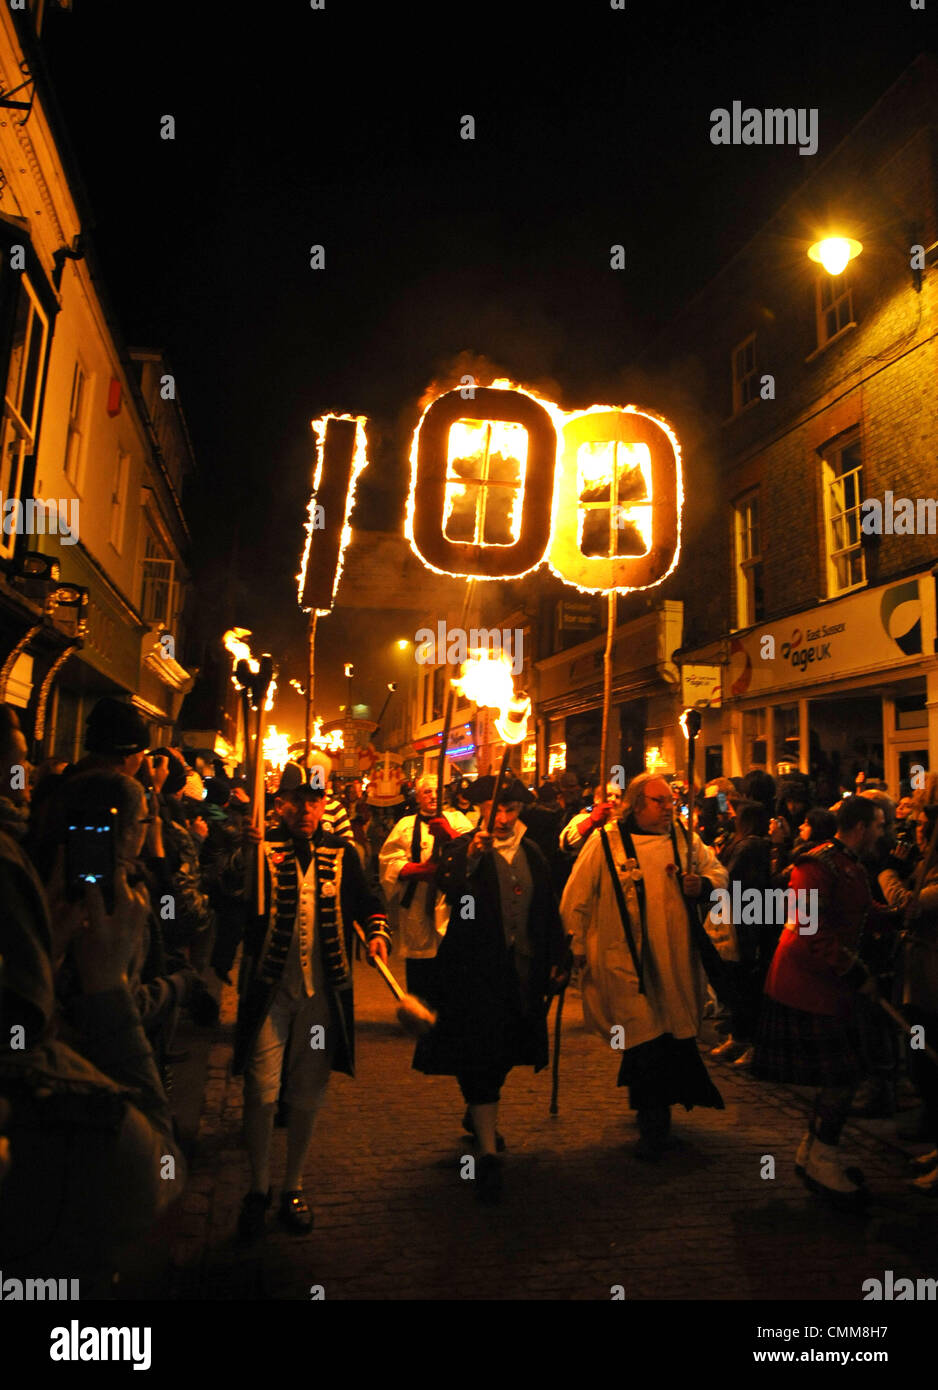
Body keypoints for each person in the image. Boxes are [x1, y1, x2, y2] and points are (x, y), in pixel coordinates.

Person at [232, 782, 390, 1239]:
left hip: (321, 995)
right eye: (296, 801)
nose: (306, 809)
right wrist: (242, 854)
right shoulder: (260, 848)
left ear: (324, 805)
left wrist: (376, 932)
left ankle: (293, 1186)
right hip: (271, 992)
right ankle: (257, 1188)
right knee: (261, 1091)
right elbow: (227, 894)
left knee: (306, 1090)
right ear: (280, 804)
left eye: (314, 801)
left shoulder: (343, 852)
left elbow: (368, 899)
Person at [413, 775, 569, 1203]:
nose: (502, 818)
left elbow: (546, 907)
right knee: (481, 1054)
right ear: (482, 808)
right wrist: (470, 859)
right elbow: (450, 887)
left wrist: (558, 956)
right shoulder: (464, 849)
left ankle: (478, 1111)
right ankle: (486, 1152)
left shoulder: (532, 853)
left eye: (510, 810)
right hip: (475, 973)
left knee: (504, 1053)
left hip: (521, 972)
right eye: (495, 809)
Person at [560, 772, 730, 1160]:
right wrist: (575, 946)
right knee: (643, 1037)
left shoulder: (685, 840)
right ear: (637, 804)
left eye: (672, 801)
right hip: (623, 960)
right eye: (660, 801)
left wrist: (702, 885)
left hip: (674, 956)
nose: (669, 808)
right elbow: (576, 896)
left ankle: (659, 1114)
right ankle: (654, 1125)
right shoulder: (607, 843)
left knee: (669, 1034)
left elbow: (718, 872)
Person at [752, 796, 898, 1206]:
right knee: (842, 1078)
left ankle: (814, 1151)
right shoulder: (815, 866)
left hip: (830, 984)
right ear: (861, 826)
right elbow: (809, 928)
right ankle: (824, 1157)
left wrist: (895, 916)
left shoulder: (849, 864)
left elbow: (858, 909)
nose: (883, 833)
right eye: (879, 825)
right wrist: (854, 971)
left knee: (842, 1077)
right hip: (807, 984)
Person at [878, 802, 938, 1193]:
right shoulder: (925, 865)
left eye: (923, 825)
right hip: (919, 984)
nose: (915, 829)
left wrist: (887, 872)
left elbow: (908, 905)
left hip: (933, 984)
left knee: (931, 1059)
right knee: (920, 1060)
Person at [378, 773, 473, 999]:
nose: (433, 796)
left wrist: (449, 835)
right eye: (427, 792)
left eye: (437, 791)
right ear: (418, 797)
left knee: (451, 959)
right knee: (420, 963)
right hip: (418, 902)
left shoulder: (458, 820)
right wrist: (418, 871)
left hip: (451, 902)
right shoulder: (405, 825)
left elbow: (473, 853)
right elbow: (388, 861)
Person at [558, 780, 625, 858]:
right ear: (596, 799)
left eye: (617, 797)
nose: (613, 799)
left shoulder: (621, 823)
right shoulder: (581, 818)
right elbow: (566, 844)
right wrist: (591, 822)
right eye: (608, 795)